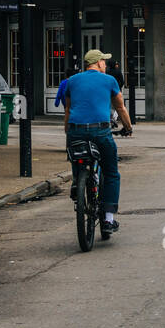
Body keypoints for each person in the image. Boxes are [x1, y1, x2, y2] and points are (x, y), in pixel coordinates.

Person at [63, 48, 133, 239]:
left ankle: (78, 183)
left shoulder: (72, 81)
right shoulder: (109, 80)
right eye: (104, 61)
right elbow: (120, 107)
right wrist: (128, 128)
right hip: (100, 131)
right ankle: (108, 218)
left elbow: (68, 109)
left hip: (76, 130)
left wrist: (68, 131)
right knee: (111, 172)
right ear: (99, 63)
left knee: (77, 158)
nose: (105, 64)